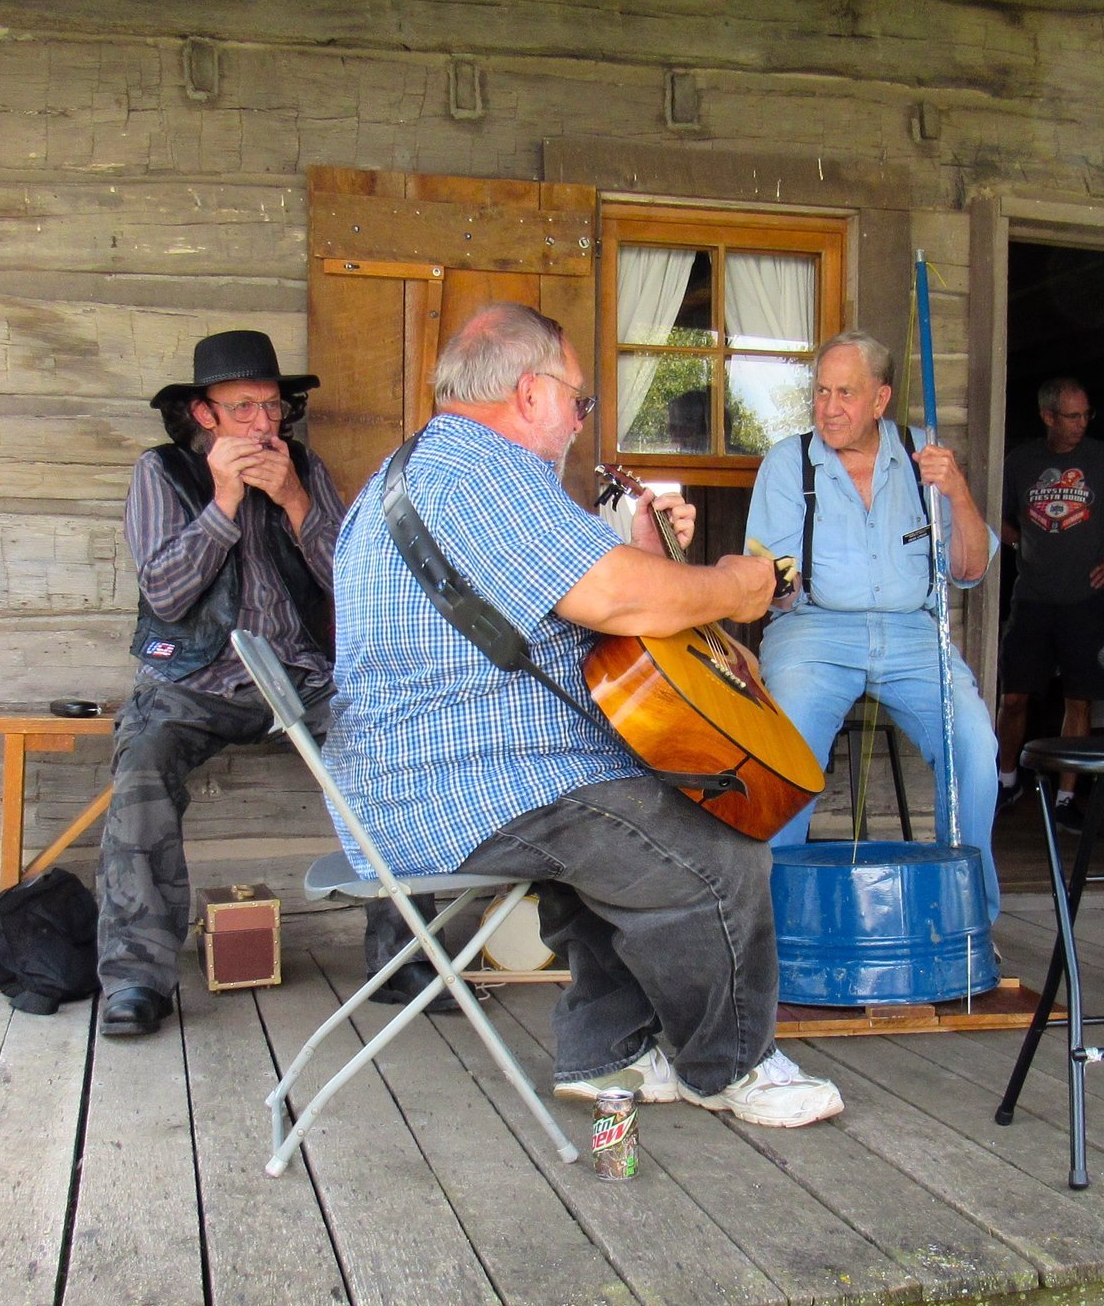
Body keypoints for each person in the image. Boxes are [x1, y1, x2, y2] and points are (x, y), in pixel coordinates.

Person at [324, 302, 844, 1128]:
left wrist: (637, 542)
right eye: (579, 400)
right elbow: (614, 595)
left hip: (430, 777)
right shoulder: (479, 471)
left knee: (624, 810)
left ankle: (612, 1051)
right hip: (458, 786)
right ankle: (731, 1064)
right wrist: (740, 585)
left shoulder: (431, 467)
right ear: (531, 393)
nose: (580, 419)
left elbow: (585, 593)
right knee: (713, 843)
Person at [98, 330, 347, 1039]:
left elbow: (351, 580)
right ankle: (136, 981)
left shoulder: (303, 467)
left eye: (273, 407)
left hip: (298, 675)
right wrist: (225, 500)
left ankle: (411, 957)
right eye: (244, 409)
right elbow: (167, 594)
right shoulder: (162, 472)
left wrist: (297, 500)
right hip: (194, 677)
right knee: (141, 766)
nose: (265, 425)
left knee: (382, 749)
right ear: (204, 413)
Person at [745, 332, 1004, 916]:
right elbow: (772, 581)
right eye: (821, 391)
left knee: (974, 745)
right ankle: (774, 921)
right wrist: (771, 586)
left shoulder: (924, 460)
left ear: (881, 399)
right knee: (786, 750)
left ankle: (967, 917)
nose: (829, 407)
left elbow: (967, 569)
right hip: (814, 630)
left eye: (846, 393)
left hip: (912, 632)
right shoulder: (789, 462)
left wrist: (957, 491)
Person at [993, 377, 1104, 825]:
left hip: (1088, 600)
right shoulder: (1022, 461)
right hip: (1031, 599)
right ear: (1047, 416)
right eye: (1072, 416)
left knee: (1079, 699)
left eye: (1086, 414)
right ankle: (1005, 780)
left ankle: (1067, 798)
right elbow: (995, 509)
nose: (1081, 424)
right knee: (1014, 697)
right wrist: (1020, 543)